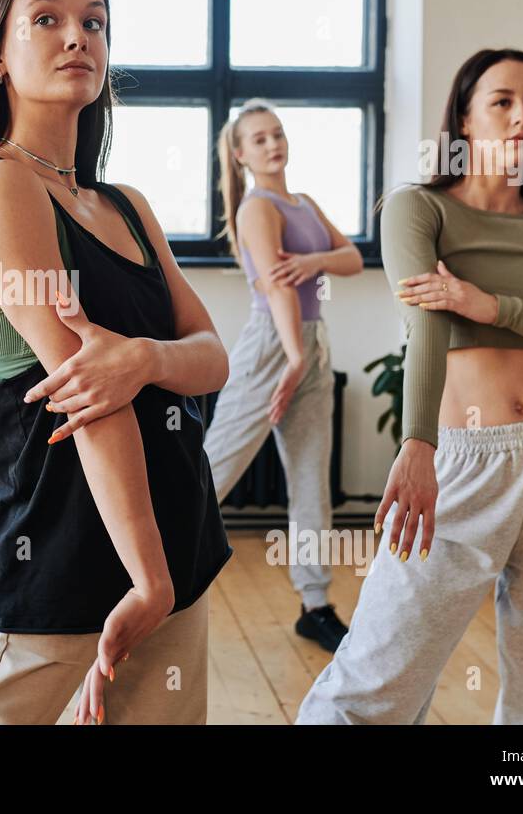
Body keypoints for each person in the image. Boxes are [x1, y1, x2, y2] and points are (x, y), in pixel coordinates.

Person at [0, 0, 233, 725]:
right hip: (53, 573)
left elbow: (214, 357)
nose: (76, 37)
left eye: (94, 22)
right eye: (47, 19)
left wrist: (145, 358)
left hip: (174, 558)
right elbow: (87, 398)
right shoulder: (0, 188)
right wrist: (145, 579)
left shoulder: (125, 205)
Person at [297, 48, 523, 724]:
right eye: (502, 101)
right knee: (380, 666)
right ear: (464, 117)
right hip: (461, 457)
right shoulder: (418, 209)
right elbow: (425, 325)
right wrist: (418, 444)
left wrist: (495, 307)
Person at [204, 99, 364, 652]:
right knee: (213, 472)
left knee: (310, 482)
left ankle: (314, 604)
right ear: (242, 154)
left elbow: (353, 259)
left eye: (278, 134)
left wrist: (314, 262)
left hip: (311, 344)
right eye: (260, 138)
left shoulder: (304, 203)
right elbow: (276, 291)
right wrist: (293, 359)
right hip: (274, 345)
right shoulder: (257, 207)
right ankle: (135, 583)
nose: (273, 144)